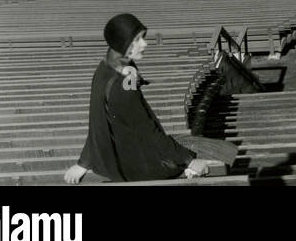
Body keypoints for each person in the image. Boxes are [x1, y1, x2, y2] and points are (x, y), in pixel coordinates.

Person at [64, 13, 210, 184]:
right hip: (137, 166)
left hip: (126, 153)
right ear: (122, 43)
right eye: (137, 40)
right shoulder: (122, 86)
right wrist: (189, 161)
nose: (144, 44)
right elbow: (147, 132)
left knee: (201, 144)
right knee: (220, 151)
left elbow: (99, 119)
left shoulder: (107, 67)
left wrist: (84, 162)